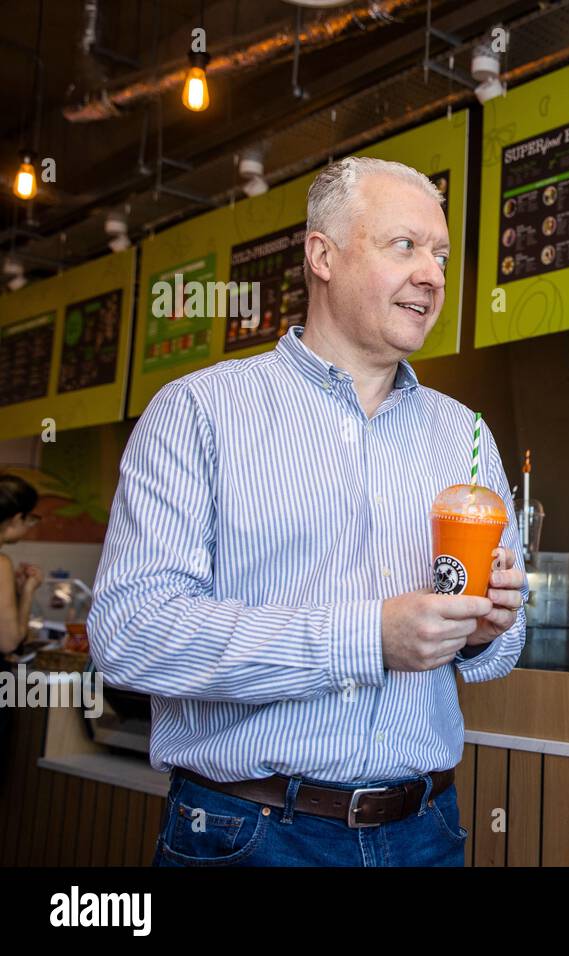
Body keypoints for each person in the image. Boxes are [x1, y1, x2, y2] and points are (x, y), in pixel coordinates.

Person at [87, 157, 528, 867]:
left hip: (426, 832)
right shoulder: (200, 412)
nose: (433, 275)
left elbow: (500, 651)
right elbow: (131, 633)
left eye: (441, 256)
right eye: (405, 246)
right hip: (250, 831)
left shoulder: (466, 436)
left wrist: (487, 627)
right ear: (322, 255)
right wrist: (366, 637)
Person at [0, 474, 44, 754]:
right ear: (15, 518)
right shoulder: (1, 563)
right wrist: (28, 591)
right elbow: (9, 642)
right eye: (29, 519)